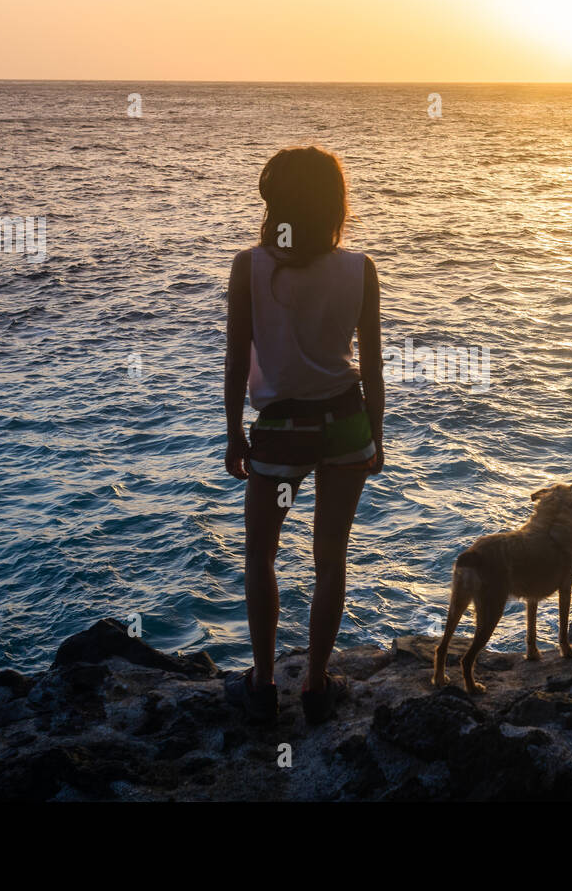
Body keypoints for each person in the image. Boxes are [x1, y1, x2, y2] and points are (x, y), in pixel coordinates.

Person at [222, 145, 384, 725]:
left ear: (277, 202)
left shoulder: (249, 266)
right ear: (335, 203)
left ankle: (263, 686)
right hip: (345, 424)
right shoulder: (360, 269)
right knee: (330, 559)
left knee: (260, 555)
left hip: (281, 430)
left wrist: (233, 433)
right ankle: (316, 687)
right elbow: (373, 366)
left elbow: (236, 361)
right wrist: (377, 435)